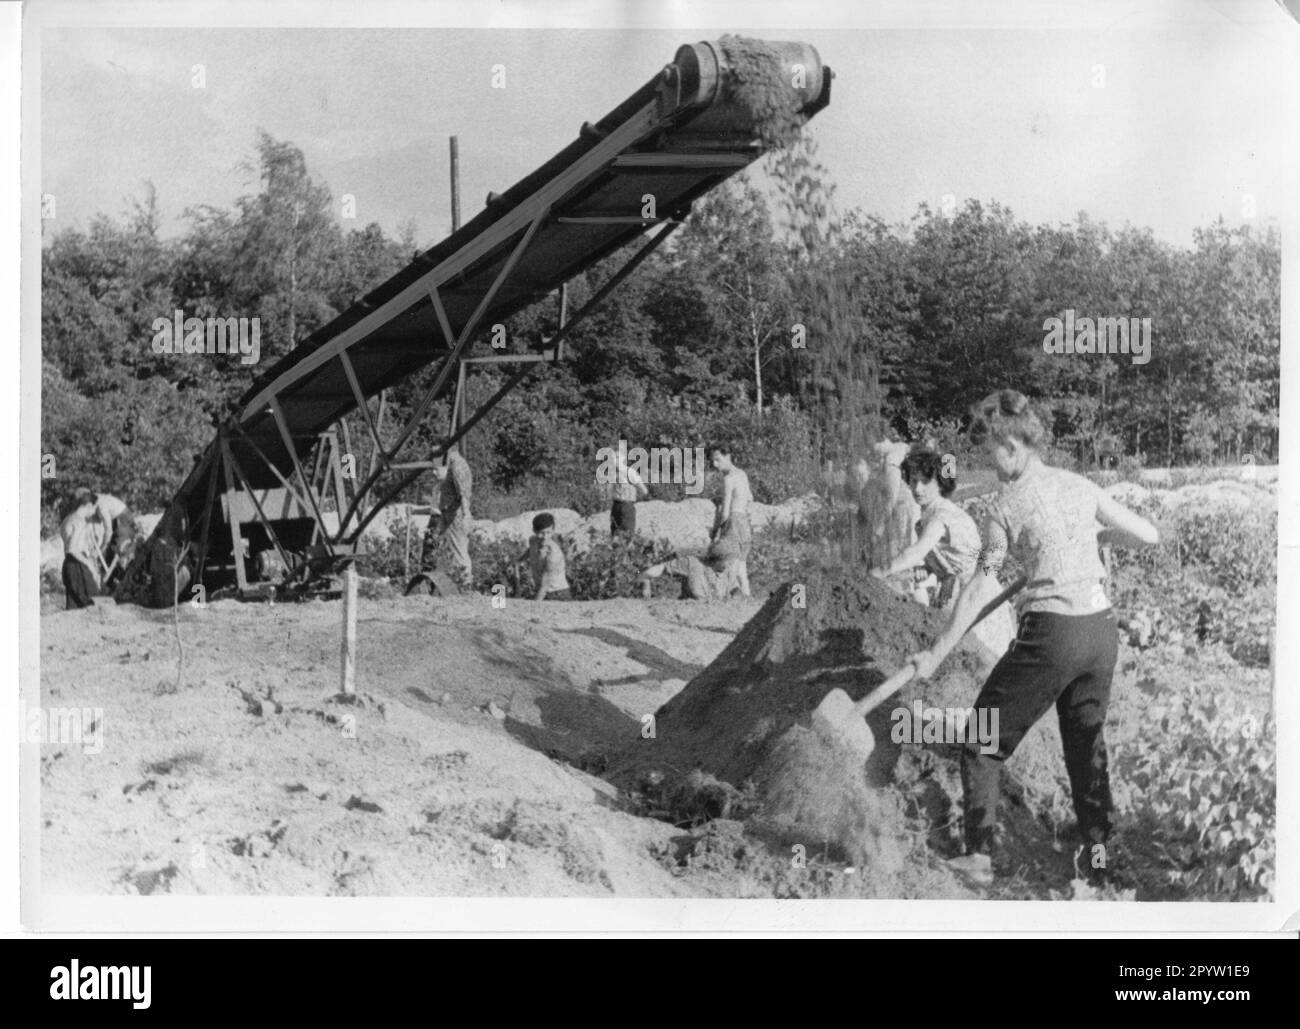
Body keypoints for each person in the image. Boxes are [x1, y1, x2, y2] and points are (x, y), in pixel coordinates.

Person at [905, 389, 1159, 886]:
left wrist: (936, 654)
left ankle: (977, 857)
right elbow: (1147, 535)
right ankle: (1104, 860)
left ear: (1013, 446)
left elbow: (983, 582)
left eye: (990, 452)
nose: (989, 463)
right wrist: (1100, 538)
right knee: (1084, 745)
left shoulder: (1003, 506)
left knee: (982, 740)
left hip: (1053, 634)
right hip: (1100, 631)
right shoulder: (1081, 486)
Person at [873, 448, 982, 609]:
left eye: (925, 482)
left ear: (939, 483)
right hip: (953, 595)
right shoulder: (926, 518)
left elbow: (915, 552)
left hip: (974, 599)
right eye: (914, 481)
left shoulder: (942, 516)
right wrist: (928, 568)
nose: (917, 489)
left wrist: (876, 573)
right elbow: (949, 562)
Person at [860, 439, 919, 571]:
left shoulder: (891, 460)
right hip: (908, 504)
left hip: (903, 509)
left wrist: (877, 531)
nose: (871, 452)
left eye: (872, 448)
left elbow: (890, 498)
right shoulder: (901, 446)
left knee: (903, 549)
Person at [419, 448, 473, 589]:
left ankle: (465, 585)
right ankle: (437, 583)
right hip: (447, 514)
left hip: (457, 515)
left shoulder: (457, 465)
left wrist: (466, 514)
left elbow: (463, 493)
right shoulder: (453, 464)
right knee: (435, 546)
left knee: (459, 550)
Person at [707, 444, 753, 597]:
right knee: (741, 562)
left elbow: (725, 511)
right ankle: (747, 595)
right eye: (713, 461)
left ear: (728, 456)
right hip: (744, 520)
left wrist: (717, 531)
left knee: (731, 562)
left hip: (733, 520)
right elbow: (750, 499)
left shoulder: (729, 479)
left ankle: (730, 594)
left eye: (718, 460)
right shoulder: (742, 474)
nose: (715, 464)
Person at [637, 535, 742, 601]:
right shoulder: (692, 563)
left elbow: (735, 587)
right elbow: (662, 567)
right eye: (727, 562)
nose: (730, 565)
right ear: (717, 559)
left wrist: (737, 595)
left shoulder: (728, 571)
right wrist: (646, 579)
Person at [60, 488, 101, 610]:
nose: (94, 512)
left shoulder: (67, 519)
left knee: (74, 611)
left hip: (68, 565)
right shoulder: (79, 521)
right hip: (78, 567)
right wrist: (89, 564)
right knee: (93, 606)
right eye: (94, 508)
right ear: (88, 505)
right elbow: (71, 548)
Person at [522, 513, 571, 600]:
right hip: (541, 591)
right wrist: (518, 561)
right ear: (534, 530)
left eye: (549, 532)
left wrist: (534, 605)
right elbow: (529, 551)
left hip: (558, 594)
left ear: (553, 530)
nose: (545, 537)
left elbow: (544, 586)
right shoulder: (533, 540)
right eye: (541, 533)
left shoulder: (553, 554)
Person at [607, 443, 649, 536]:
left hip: (627, 506)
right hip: (616, 506)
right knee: (614, 534)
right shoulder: (612, 474)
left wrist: (631, 498)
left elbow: (643, 490)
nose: (614, 460)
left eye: (617, 457)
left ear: (623, 458)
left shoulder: (629, 472)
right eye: (612, 457)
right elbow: (609, 493)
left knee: (627, 534)